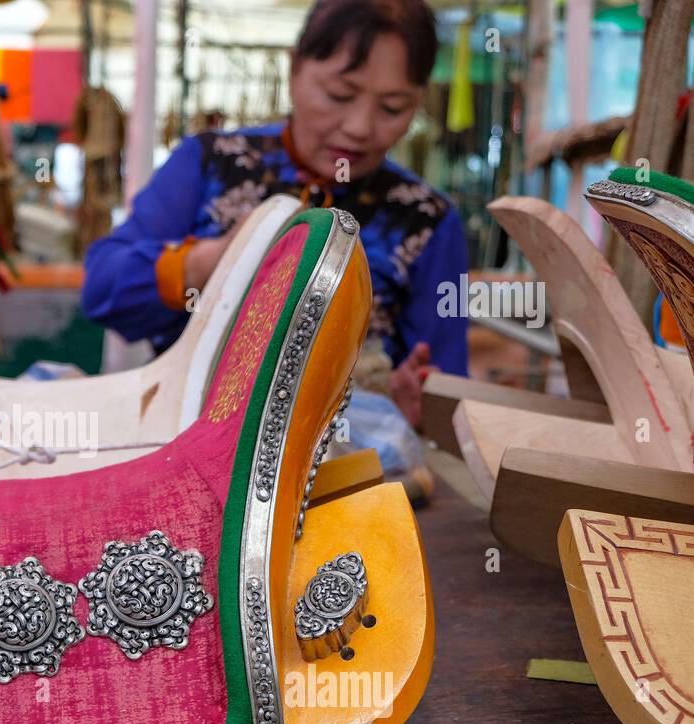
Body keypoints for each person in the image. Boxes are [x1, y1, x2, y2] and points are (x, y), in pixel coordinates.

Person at [82, 0, 466, 425]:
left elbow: (444, 381)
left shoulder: (427, 220)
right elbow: (102, 289)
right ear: (295, 69)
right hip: (185, 438)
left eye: (393, 108)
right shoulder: (209, 163)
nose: (360, 127)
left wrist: (409, 403)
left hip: (346, 462)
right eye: (339, 95)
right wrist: (217, 259)